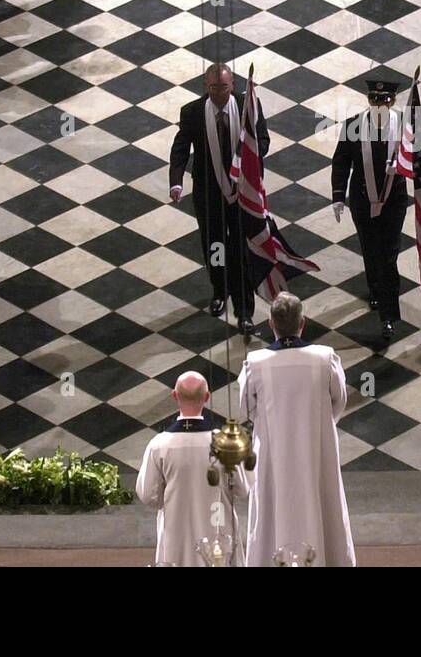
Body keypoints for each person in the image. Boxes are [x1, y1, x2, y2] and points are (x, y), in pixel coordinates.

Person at [240, 292, 355, 567]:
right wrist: (318, 423)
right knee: (324, 505)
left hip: (272, 452)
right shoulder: (324, 358)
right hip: (317, 449)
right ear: (302, 322)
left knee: (270, 511)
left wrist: (272, 422)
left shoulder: (255, 363)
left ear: (271, 324)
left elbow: (246, 409)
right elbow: (339, 400)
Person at [168, 63, 269, 337]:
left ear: (232, 85)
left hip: (241, 193)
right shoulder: (192, 112)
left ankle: (245, 311)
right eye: (214, 88)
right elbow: (180, 148)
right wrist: (176, 181)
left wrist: (251, 164)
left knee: (239, 250)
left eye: (223, 87)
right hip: (208, 193)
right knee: (214, 246)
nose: (219, 93)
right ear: (206, 86)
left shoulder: (248, 106)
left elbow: (262, 140)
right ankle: (219, 291)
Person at [136, 371, 246, 567]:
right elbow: (242, 489)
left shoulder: (159, 444)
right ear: (207, 397)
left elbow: (148, 496)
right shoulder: (225, 443)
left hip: (176, 536)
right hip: (218, 531)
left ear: (174, 396)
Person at [331, 78, 410, 340]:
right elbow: (341, 162)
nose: (379, 105)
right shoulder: (354, 126)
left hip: (393, 200)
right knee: (370, 247)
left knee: (389, 251)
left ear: (393, 101)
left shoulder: (406, 126)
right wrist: (338, 196)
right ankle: (375, 287)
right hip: (363, 199)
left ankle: (388, 314)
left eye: (384, 100)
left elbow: (420, 158)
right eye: (374, 100)